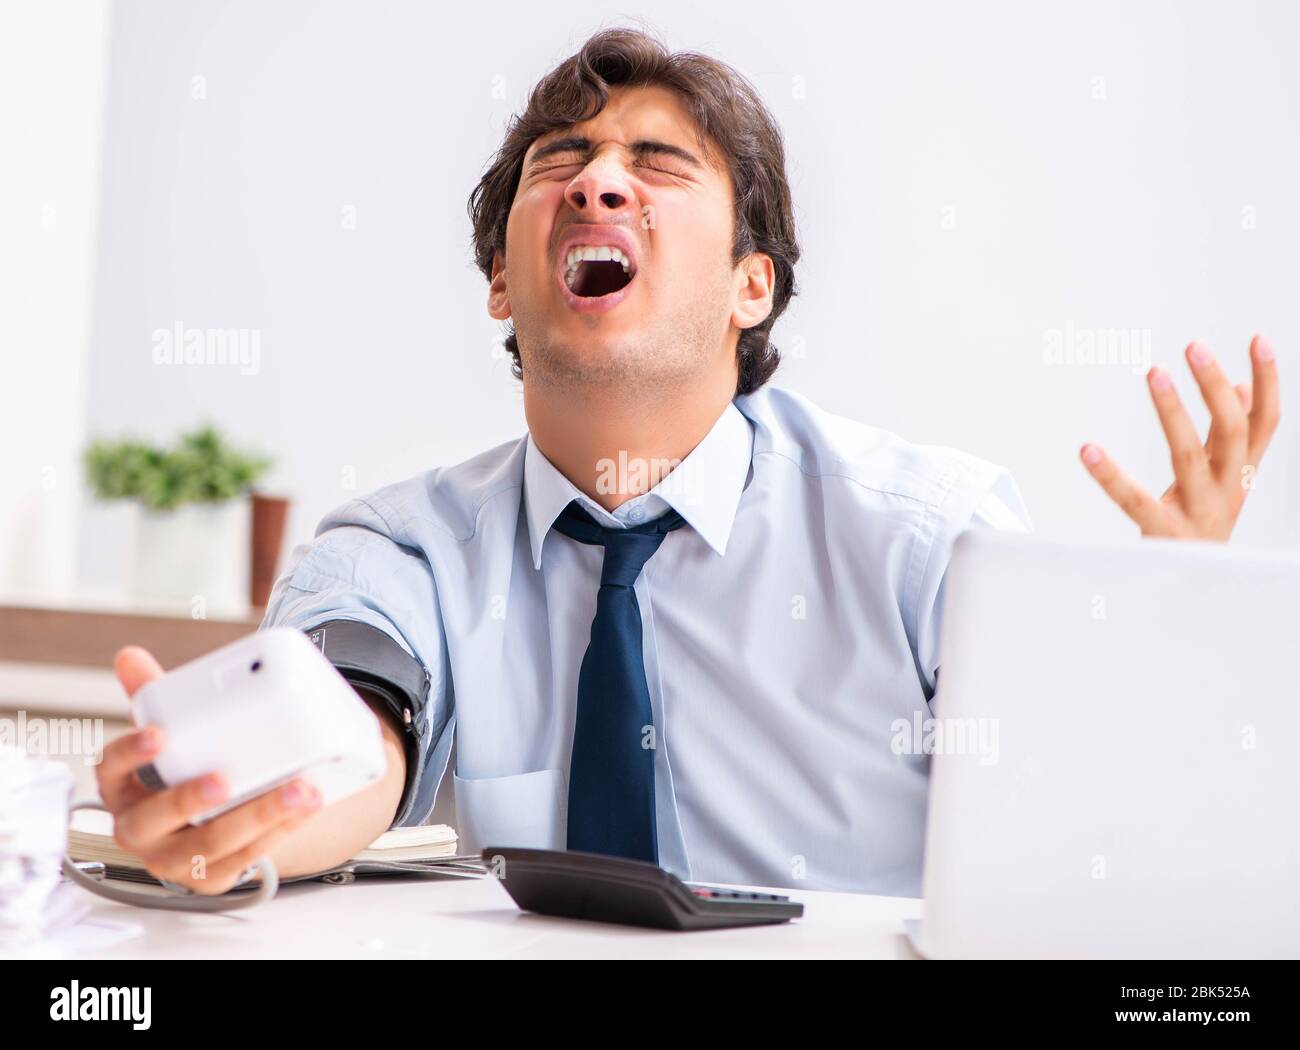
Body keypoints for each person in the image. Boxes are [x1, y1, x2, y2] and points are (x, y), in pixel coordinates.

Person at [98, 28, 1280, 897]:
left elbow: (1086, 847)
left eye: (659, 165)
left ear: (749, 287)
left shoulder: (927, 538)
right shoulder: (398, 547)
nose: (598, 180)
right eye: (560, 162)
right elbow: (354, 715)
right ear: (503, 282)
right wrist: (251, 808)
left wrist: (1158, 658)